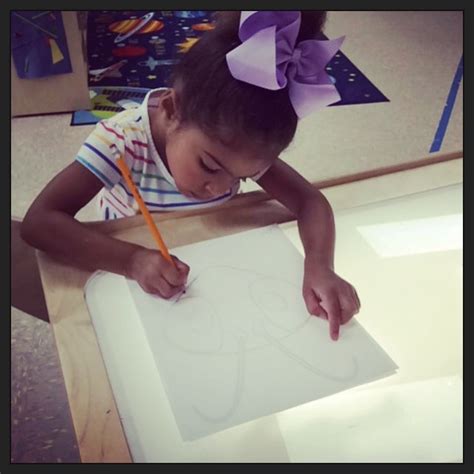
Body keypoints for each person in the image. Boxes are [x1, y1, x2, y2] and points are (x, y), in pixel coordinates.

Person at [21, 10, 360, 341]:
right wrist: (132, 260)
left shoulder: (238, 143)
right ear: (171, 111)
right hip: (130, 262)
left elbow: (309, 200)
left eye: (246, 175)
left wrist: (319, 264)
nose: (221, 187)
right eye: (210, 166)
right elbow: (39, 223)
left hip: (212, 260)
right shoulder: (120, 141)